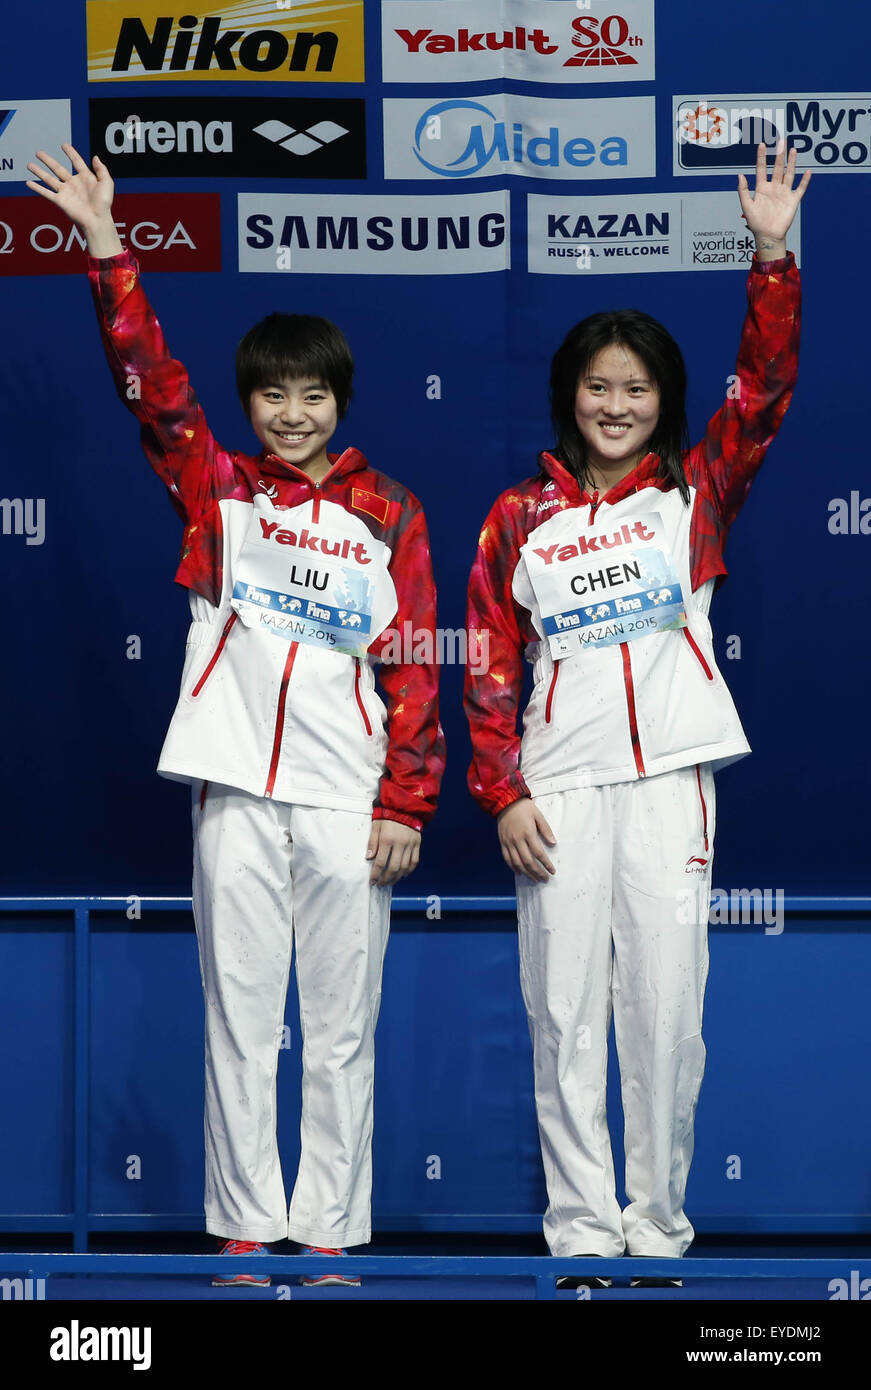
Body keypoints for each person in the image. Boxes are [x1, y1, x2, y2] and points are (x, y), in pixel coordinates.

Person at [27, 143, 445, 1289]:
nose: (294, 412)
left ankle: (330, 1232)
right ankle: (247, 1230)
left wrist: (405, 796)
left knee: (340, 1026)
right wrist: (107, 245)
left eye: (314, 395)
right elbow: (153, 385)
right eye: (273, 394)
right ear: (250, 402)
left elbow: (411, 660)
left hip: (348, 798)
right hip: (233, 791)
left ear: (340, 402)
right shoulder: (216, 490)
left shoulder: (388, 510)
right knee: (242, 1019)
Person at [464, 142, 809, 1289]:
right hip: (556, 789)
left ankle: (655, 1235)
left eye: (637, 389)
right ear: (571, 392)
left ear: (661, 403)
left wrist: (770, 255)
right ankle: (578, 1240)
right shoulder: (517, 516)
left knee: (664, 1011)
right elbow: (486, 666)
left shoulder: (695, 494)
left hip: (669, 777)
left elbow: (759, 390)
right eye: (597, 386)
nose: (614, 405)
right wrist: (503, 790)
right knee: (562, 1017)